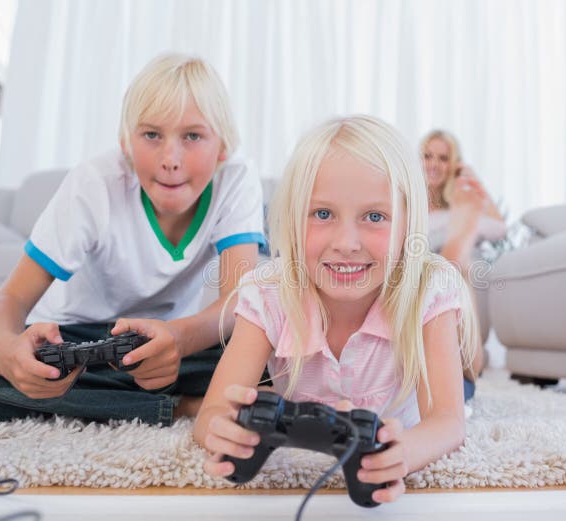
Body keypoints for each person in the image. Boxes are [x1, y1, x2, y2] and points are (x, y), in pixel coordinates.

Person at [0, 53, 265, 426]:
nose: (170, 158)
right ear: (125, 143)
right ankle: (180, 406)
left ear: (223, 147)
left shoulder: (237, 179)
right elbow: (10, 299)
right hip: (75, 342)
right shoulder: (94, 184)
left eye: (193, 136)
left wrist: (180, 340)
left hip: (170, 341)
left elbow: (235, 303)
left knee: (274, 356)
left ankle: (101, 402)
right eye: (151, 135)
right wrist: (7, 354)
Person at [194, 115, 480, 504]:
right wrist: (218, 429)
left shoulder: (428, 287)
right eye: (323, 214)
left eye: (375, 217)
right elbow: (212, 412)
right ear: (293, 220)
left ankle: (469, 359)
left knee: (464, 387)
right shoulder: (268, 292)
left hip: (411, 387)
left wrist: (407, 453)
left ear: (409, 224)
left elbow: (447, 423)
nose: (347, 242)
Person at [420, 129, 507, 388]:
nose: (434, 164)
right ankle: (452, 264)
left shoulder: (457, 206)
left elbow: (498, 228)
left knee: (461, 265)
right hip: (417, 264)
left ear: (454, 164)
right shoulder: (407, 203)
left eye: (443, 158)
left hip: (446, 259)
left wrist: (472, 178)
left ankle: (453, 261)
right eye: (427, 156)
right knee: (450, 266)